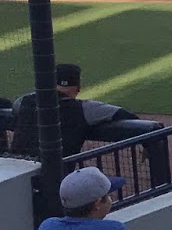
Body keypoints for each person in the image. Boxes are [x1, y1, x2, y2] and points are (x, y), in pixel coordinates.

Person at [10, 63, 139, 159]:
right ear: (78, 88)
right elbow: (125, 115)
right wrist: (148, 143)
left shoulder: (23, 101)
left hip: (16, 171)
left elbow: (14, 107)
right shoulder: (85, 108)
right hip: (55, 179)